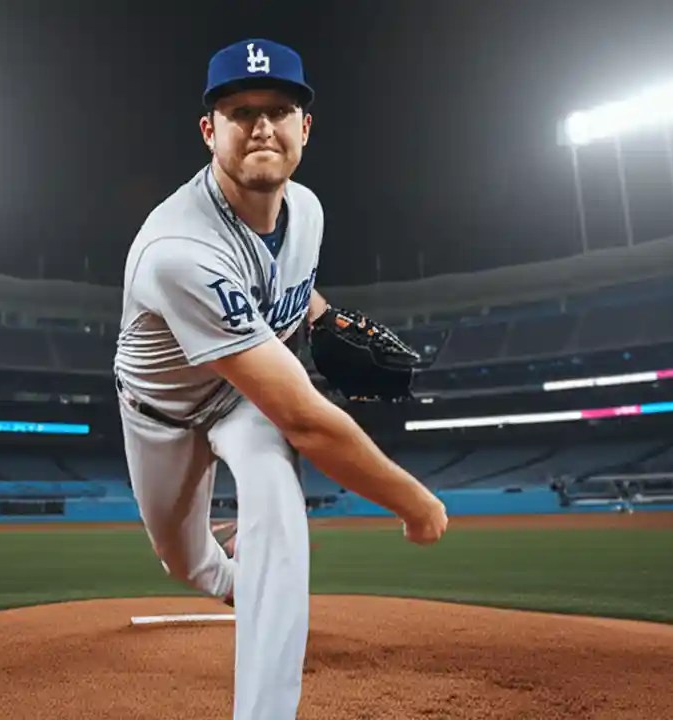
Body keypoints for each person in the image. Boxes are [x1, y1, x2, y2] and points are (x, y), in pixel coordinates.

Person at [113, 38, 448, 720]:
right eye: (240, 111)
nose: (262, 125)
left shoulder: (310, 211)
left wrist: (327, 318)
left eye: (279, 108)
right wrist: (416, 504)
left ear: (305, 127)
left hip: (244, 394)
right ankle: (244, 582)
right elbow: (303, 417)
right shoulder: (177, 249)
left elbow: (285, 290)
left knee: (275, 492)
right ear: (210, 131)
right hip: (162, 414)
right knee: (185, 562)